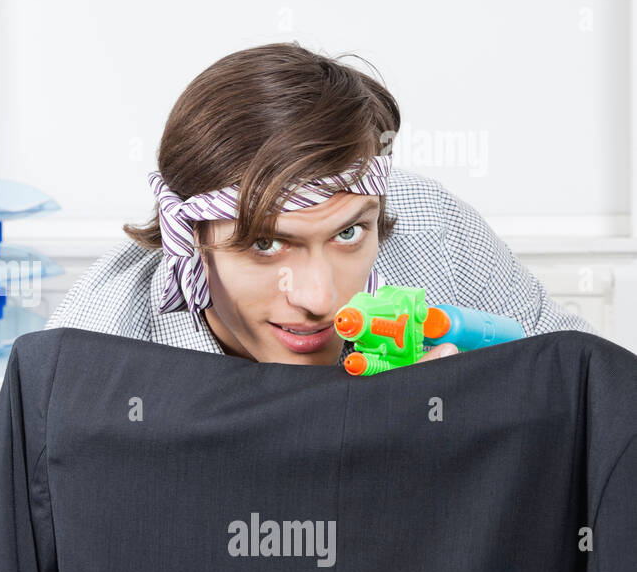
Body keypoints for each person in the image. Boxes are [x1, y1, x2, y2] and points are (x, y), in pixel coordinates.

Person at [44, 42, 600, 366]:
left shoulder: (437, 229)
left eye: (349, 234)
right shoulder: (97, 347)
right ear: (188, 241)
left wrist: (483, 408)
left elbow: (585, 379)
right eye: (264, 243)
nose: (319, 300)